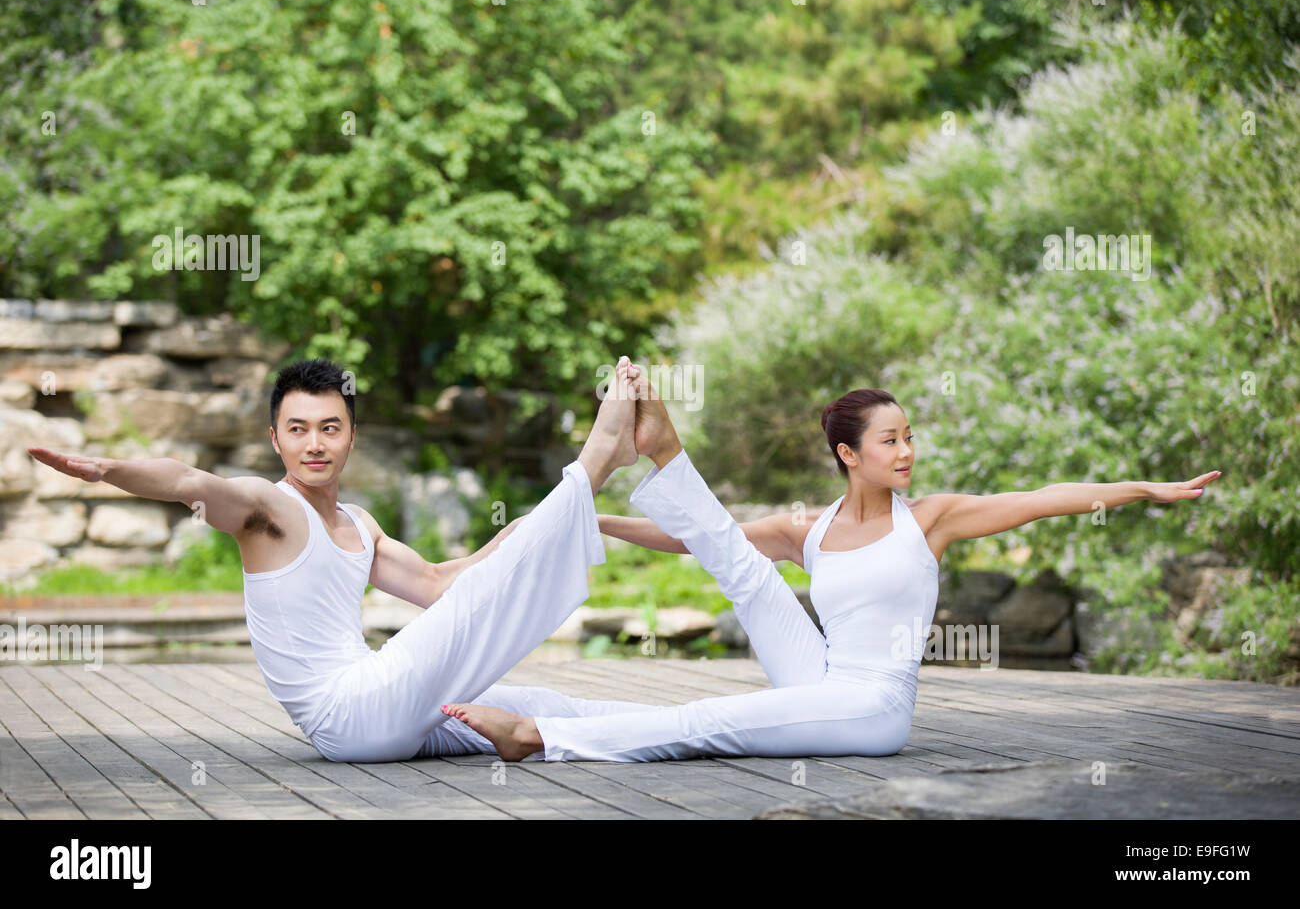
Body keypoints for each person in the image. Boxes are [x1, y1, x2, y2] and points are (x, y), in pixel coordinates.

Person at [442, 373, 1221, 762]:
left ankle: (540, 736)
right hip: (816, 676)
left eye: (909, 436)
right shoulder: (806, 528)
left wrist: (1145, 488)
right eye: (890, 441)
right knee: (744, 570)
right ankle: (667, 452)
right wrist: (584, 517)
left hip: (871, 708)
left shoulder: (933, 519)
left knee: (711, 722)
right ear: (850, 454)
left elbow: (1046, 497)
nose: (907, 451)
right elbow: (696, 544)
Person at [26, 355, 651, 763]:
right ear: (276, 440)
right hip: (347, 715)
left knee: (543, 705)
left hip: (388, 709)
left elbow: (441, 587)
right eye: (297, 429)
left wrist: (521, 531)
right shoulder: (265, 509)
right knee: (474, 611)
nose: (314, 443)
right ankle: (597, 459)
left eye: (330, 427)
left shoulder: (358, 525)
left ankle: (675, 727)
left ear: (352, 436)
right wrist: (108, 469)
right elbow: (190, 481)